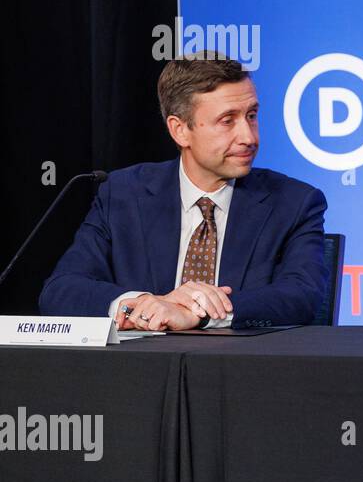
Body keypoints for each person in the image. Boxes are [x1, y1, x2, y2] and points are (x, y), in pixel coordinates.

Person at [39, 53, 328, 330]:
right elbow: (61, 289)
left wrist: (198, 312)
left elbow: (302, 296)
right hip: (137, 371)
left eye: (251, 116)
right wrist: (140, 304)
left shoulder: (294, 203)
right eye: (228, 121)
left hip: (243, 372)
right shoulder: (123, 194)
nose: (249, 136)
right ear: (179, 130)